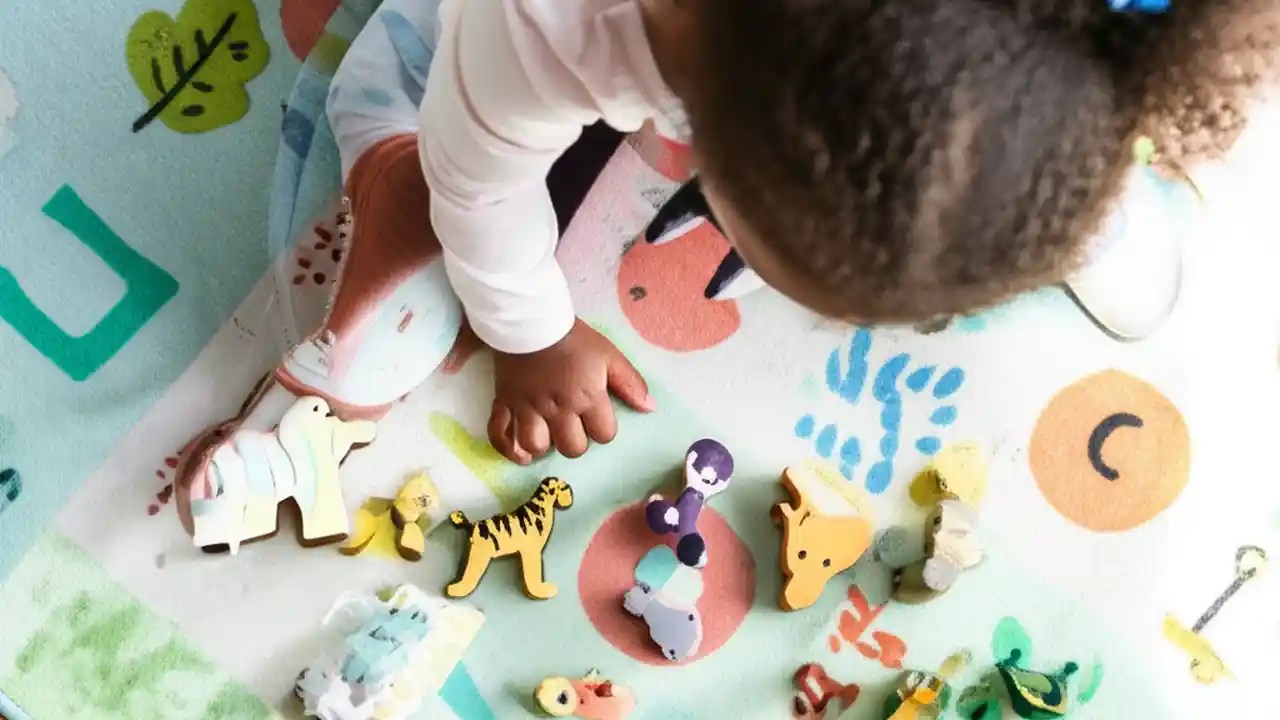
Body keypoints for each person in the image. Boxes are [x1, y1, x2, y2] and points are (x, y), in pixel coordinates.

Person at [175, 0, 1278, 509]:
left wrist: (1059, 133)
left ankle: (1067, 142)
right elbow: (481, 179)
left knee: (1012, 149)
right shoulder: (550, 25)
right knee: (412, 152)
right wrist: (533, 327)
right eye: (742, 229)